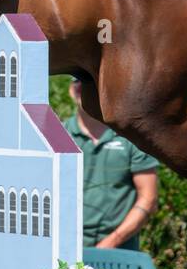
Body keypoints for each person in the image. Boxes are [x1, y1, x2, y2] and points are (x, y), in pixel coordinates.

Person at [64, 79, 159, 250]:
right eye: (80, 81)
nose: (85, 88)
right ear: (72, 89)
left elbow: (148, 199)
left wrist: (111, 242)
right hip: (67, 250)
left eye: (92, 81)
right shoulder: (58, 136)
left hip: (119, 252)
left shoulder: (132, 138)